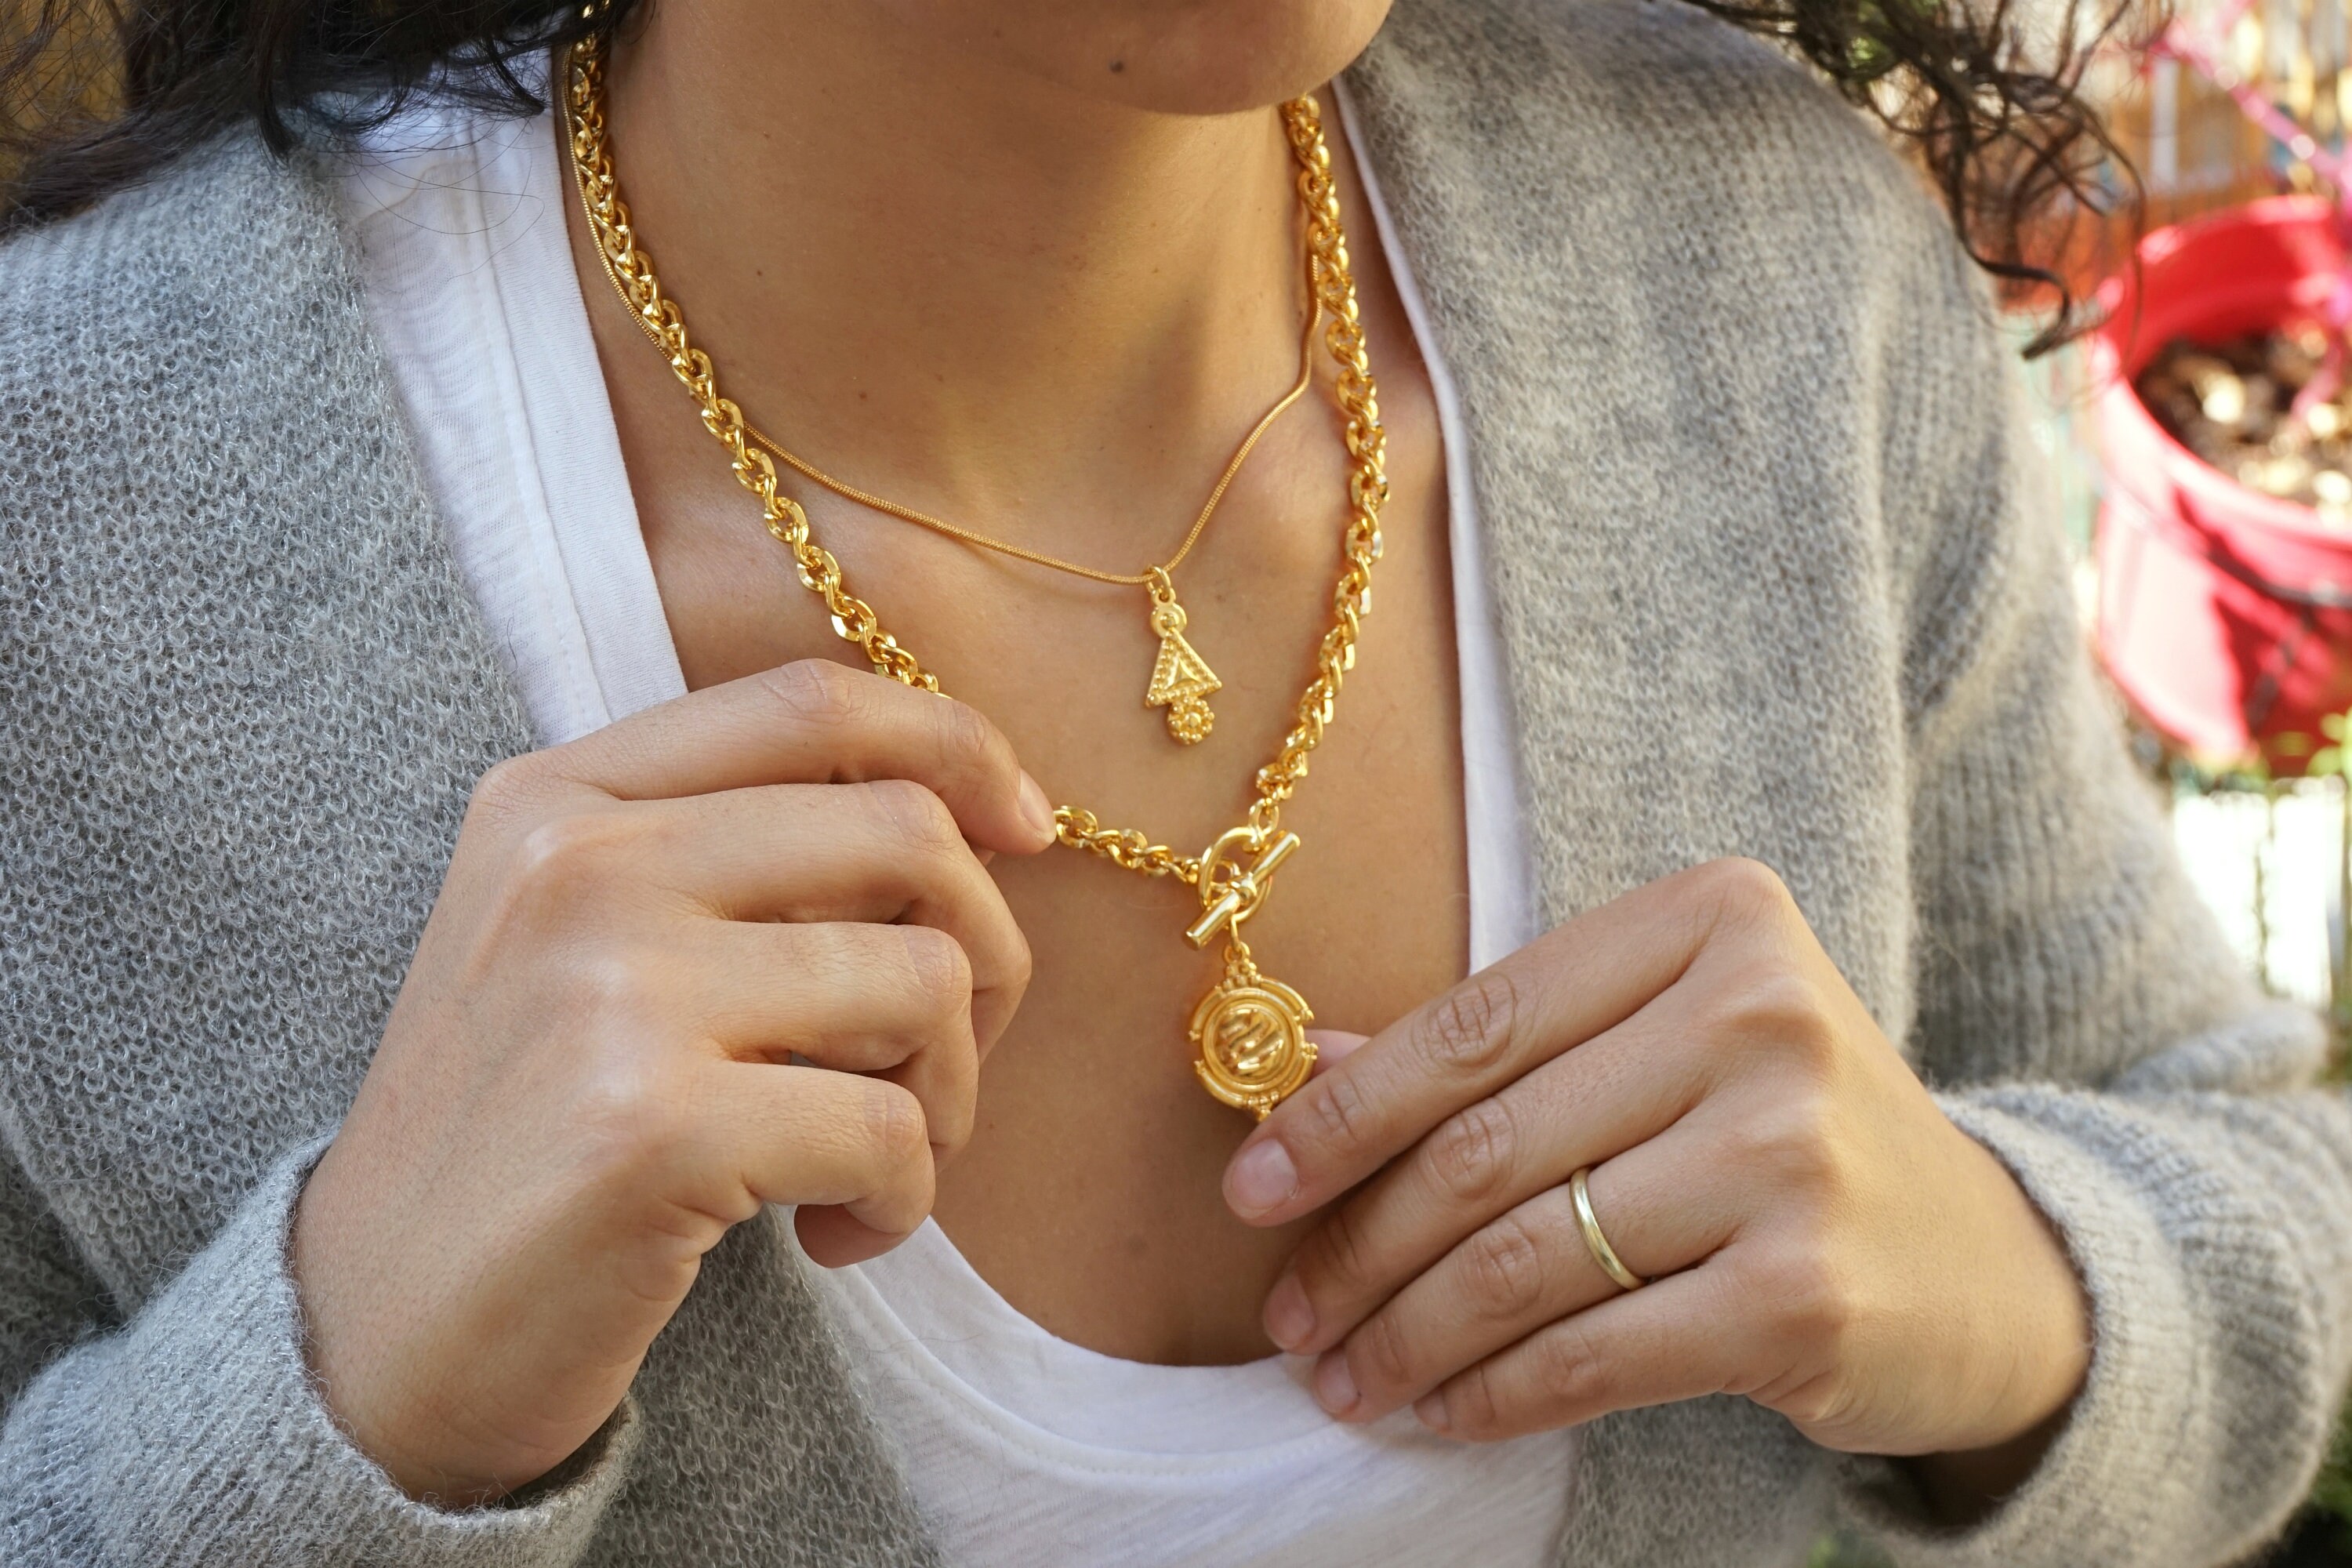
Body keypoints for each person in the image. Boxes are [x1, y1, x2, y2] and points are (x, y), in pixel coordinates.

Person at [2, 0, 2347, 1562]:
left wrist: (2014, 1286)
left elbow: (2263, 1186)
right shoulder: (66, 528)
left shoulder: (1764, 278)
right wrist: (320, 1410)